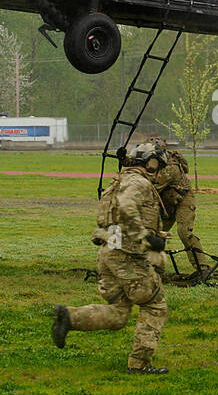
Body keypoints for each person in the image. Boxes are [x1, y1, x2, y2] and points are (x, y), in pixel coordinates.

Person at [50, 141, 172, 374]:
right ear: (151, 163)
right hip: (128, 257)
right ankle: (140, 363)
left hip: (108, 253)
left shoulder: (119, 181)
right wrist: (146, 237)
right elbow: (127, 208)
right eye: (159, 167)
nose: (160, 174)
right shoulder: (139, 182)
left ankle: (70, 318)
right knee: (155, 306)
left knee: (119, 313)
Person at [149, 137, 214, 280]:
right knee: (157, 232)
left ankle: (203, 268)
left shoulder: (171, 167)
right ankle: (155, 267)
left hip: (184, 200)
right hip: (168, 202)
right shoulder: (156, 162)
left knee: (184, 231)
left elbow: (152, 186)